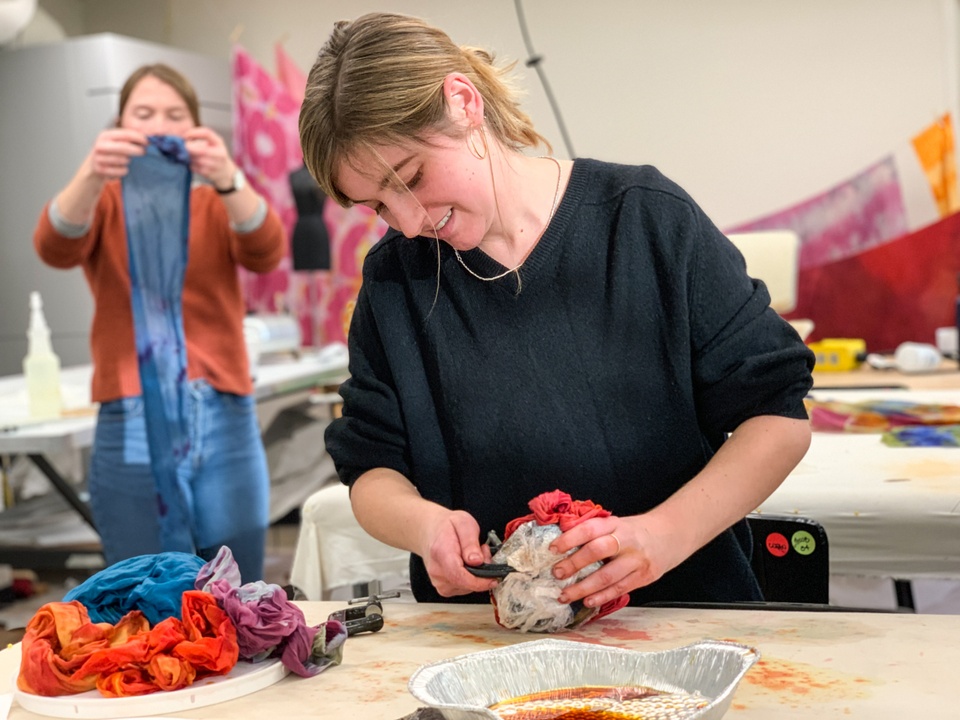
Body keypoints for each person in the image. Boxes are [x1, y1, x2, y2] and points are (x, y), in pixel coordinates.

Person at [299, 12, 814, 609]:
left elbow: (777, 421)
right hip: (483, 645)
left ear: (463, 102)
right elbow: (371, 467)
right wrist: (423, 526)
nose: (410, 222)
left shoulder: (645, 220)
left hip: (681, 616)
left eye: (411, 178)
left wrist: (659, 537)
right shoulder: (396, 278)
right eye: (378, 206)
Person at [33, 63, 285, 582]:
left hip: (224, 408)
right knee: (143, 580)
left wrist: (228, 177)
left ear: (196, 127)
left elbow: (267, 250)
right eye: (143, 113)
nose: (158, 125)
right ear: (118, 124)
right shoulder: (104, 197)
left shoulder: (213, 199)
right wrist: (91, 172)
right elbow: (54, 246)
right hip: (131, 411)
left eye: (174, 114)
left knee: (241, 583)